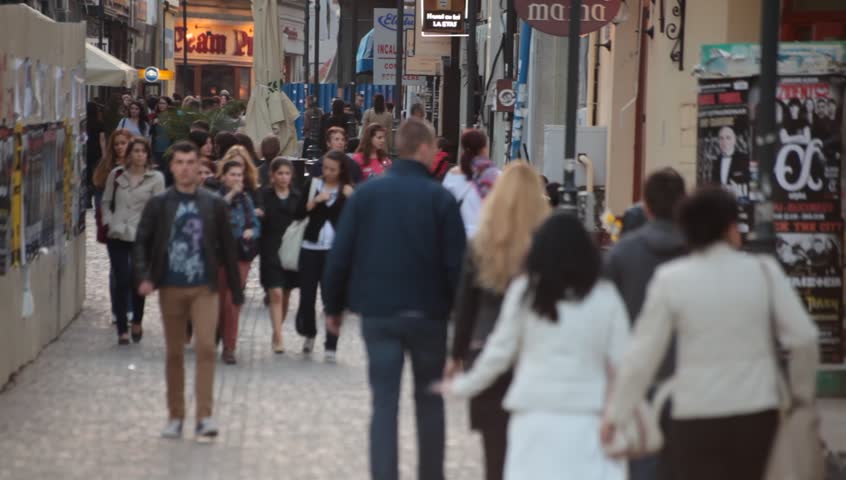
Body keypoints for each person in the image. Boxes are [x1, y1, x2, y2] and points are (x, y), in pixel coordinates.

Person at [600, 187, 820, 480]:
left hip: (695, 410)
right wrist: (800, 396)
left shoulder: (671, 280)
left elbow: (642, 355)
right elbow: (804, 337)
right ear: (731, 228)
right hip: (756, 409)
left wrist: (616, 414)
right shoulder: (763, 272)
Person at [321, 118, 467, 480]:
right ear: (424, 148)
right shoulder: (440, 198)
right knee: (430, 403)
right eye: (434, 148)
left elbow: (340, 256)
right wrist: (461, 328)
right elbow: (458, 267)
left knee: (384, 404)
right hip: (429, 316)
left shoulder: (367, 195)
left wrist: (334, 308)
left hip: (379, 313)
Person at [437, 213, 628, 480]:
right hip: (588, 415)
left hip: (533, 413)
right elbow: (624, 363)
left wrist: (464, 385)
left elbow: (499, 352)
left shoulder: (525, 292)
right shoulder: (606, 297)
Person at [445, 162, 550, 480]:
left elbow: (466, 305)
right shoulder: (548, 246)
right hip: (535, 356)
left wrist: (456, 354)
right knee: (533, 454)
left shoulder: (482, 244)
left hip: (486, 350)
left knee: (495, 452)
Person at [133, 140, 244, 440]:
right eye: (179, 163)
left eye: (190, 163)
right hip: (170, 285)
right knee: (174, 353)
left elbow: (228, 248)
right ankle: (175, 415)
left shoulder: (213, 204)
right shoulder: (160, 204)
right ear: (172, 167)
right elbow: (142, 240)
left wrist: (236, 290)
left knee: (206, 347)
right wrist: (144, 276)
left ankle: (204, 416)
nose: (184, 168)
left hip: (204, 286)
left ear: (199, 167)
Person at [602, 168, 687, 480]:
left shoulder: (623, 253)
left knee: (643, 462)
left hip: (638, 373)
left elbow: (606, 316)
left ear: (646, 206)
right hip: (690, 375)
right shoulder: (697, 251)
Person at [102, 137, 165, 345]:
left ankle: (137, 320)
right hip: (118, 234)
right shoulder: (117, 175)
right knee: (121, 279)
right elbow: (106, 201)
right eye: (135, 151)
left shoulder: (156, 178)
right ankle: (122, 328)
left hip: (141, 235)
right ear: (129, 154)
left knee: (137, 279)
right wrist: (109, 221)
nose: (139, 155)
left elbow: (158, 208)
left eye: (143, 151)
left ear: (148, 155)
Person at [293, 150, 354, 361]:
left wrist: (352, 198)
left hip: (334, 253)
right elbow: (297, 213)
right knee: (307, 297)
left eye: (332, 169)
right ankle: (309, 333)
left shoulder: (347, 190)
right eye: (325, 168)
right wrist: (315, 201)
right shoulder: (312, 185)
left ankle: (331, 344)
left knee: (332, 299)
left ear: (341, 170)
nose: (327, 172)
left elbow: (357, 220)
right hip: (310, 249)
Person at [214, 160, 260, 365]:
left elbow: (257, 226)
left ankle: (229, 347)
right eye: (232, 174)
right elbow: (213, 215)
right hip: (219, 255)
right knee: (219, 301)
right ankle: (217, 332)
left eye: (239, 175)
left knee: (232, 301)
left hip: (240, 255)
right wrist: (231, 194)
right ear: (224, 176)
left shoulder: (246, 200)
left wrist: (252, 232)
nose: (236, 178)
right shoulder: (214, 197)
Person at [259, 157, 301, 353]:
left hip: (290, 250)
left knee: (285, 294)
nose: (284, 177)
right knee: (275, 293)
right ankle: (278, 336)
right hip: (270, 249)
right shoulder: (264, 195)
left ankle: (277, 330)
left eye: (287, 173)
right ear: (273, 175)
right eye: (280, 173)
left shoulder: (296, 196)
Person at [93, 129, 134, 326]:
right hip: (115, 227)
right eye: (116, 143)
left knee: (132, 267)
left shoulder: (139, 168)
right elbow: (101, 201)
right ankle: (118, 309)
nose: (120, 147)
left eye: (123, 143)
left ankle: (130, 308)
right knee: (117, 269)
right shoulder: (106, 169)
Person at [442, 129, 500, 237]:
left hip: (459, 237)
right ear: (484, 149)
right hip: (487, 238)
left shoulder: (452, 175)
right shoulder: (497, 176)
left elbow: (443, 208)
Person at [85, 102, 107, 207]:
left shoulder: (84, 124)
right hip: (96, 152)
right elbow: (102, 140)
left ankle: (87, 199)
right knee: (96, 175)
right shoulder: (100, 124)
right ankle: (95, 194)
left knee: (87, 175)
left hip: (86, 151)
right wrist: (104, 155)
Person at [151, 96, 173, 181]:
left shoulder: (173, 117)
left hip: (169, 149)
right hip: (157, 148)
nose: (161, 105)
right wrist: (153, 124)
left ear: (168, 105)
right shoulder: (155, 116)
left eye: (163, 103)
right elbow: (150, 132)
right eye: (160, 103)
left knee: (167, 173)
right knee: (158, 173)